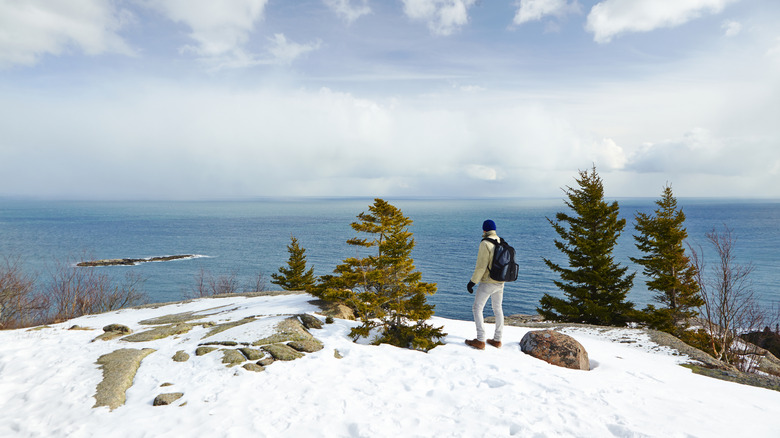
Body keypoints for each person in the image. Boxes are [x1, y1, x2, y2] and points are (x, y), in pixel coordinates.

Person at [465, 219, 505, 350]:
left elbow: (481, 266)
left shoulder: (485, 243)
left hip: (488, 282)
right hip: (500, 281)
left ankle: (480, 340)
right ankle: (497, 340)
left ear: (484, 230)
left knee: (477, 308)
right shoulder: (501, 241)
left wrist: (472, 282)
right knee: (497, 309)